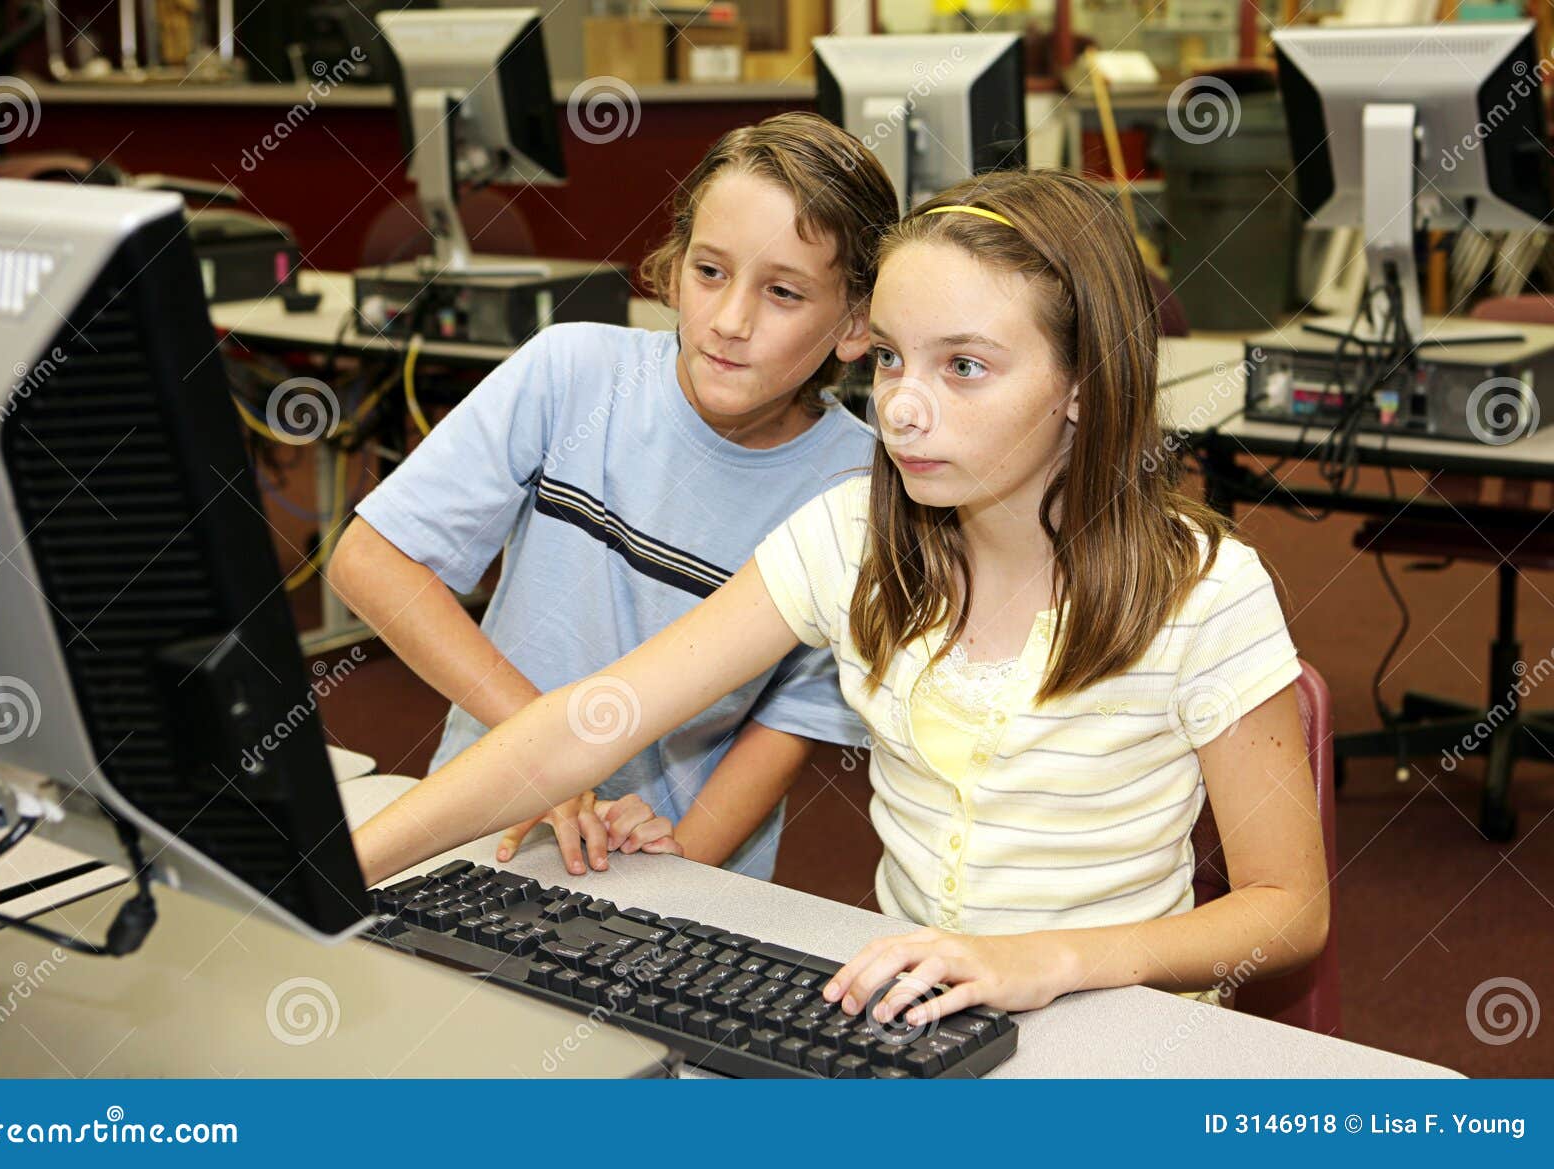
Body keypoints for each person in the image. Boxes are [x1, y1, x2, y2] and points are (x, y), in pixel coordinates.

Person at [353, 169, 1329, 1027]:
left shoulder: (1201, 586)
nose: (903, 404)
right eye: (894, 358)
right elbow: (587, 722)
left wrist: (1045, 959)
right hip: (907, 1009)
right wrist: (342, 862)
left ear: (1081, 380)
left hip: (1120, 1021)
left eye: (965, 366)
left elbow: (1287, 904)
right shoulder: (849, 539)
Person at [330, 113, 897, 879]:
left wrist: (681, 860)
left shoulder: (859, 486)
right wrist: (545, 754)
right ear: (673, 266)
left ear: (856, 323)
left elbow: (789, 726)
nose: (730, 322)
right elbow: (369, 560)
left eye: (784, 292)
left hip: (670, 850)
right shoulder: (574, 373)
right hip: (480, 817)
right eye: (710, 272)